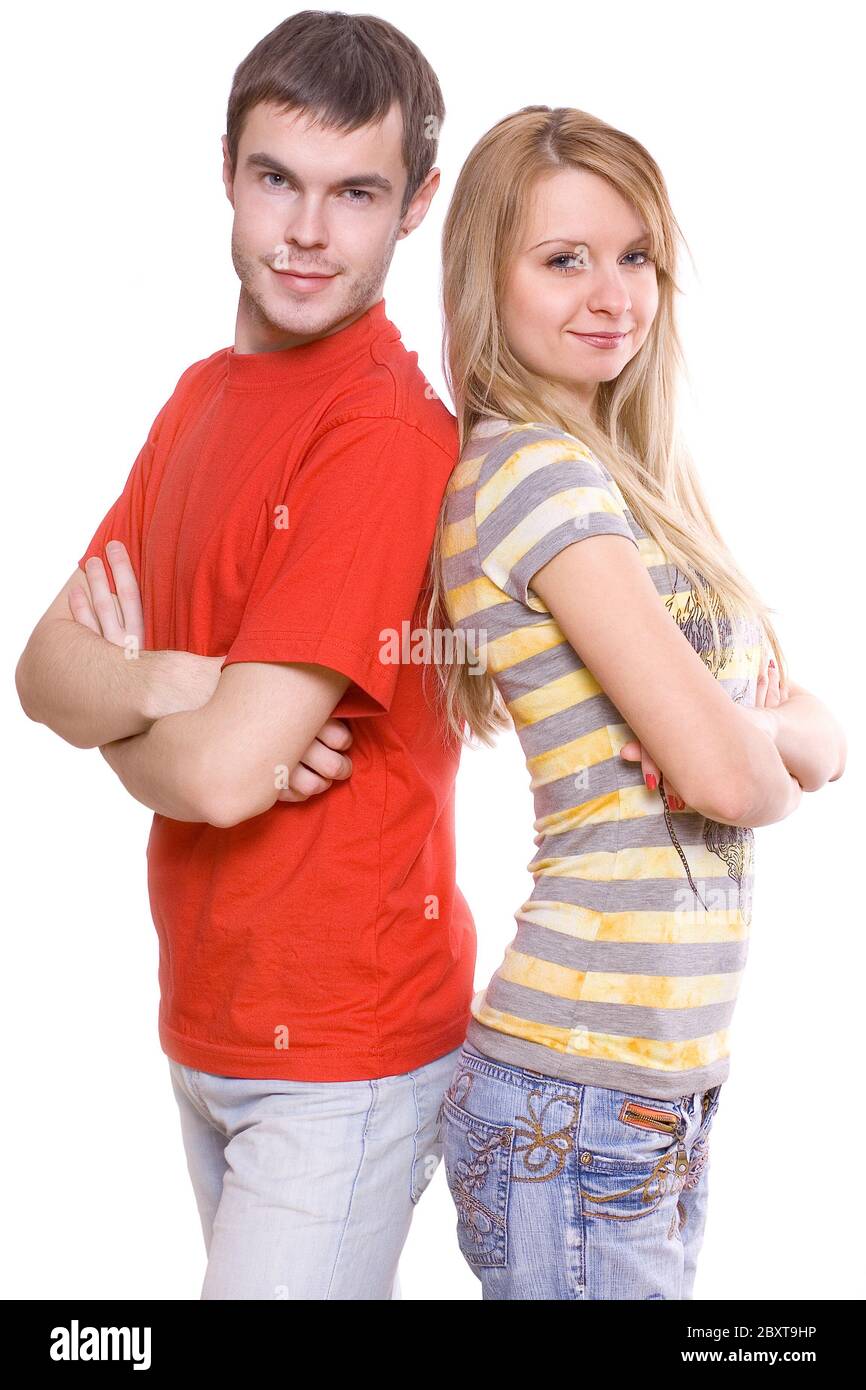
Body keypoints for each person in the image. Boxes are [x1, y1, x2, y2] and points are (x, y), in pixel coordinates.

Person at [15, 11, 475, 1300]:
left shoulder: (379, 436)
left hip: (341, 1040)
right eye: (278, 178)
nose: (308, 231)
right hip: (210, 1011)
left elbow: (218, 781)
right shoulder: (197, 398)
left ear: (414, 206)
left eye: (356, 193)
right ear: (227, 169)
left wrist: (127, 716)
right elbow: (42, 667)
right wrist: (173, 685)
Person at [426, 104, 847, 1299]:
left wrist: (753, 733)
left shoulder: (629, 482)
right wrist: (749, 743)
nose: (611, 292)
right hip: (575, 1094)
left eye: (634, 256)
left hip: (649, 1089)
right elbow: (734, 781)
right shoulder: (531, 475)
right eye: (563, 258)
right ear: (485, 279)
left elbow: (810, 731)